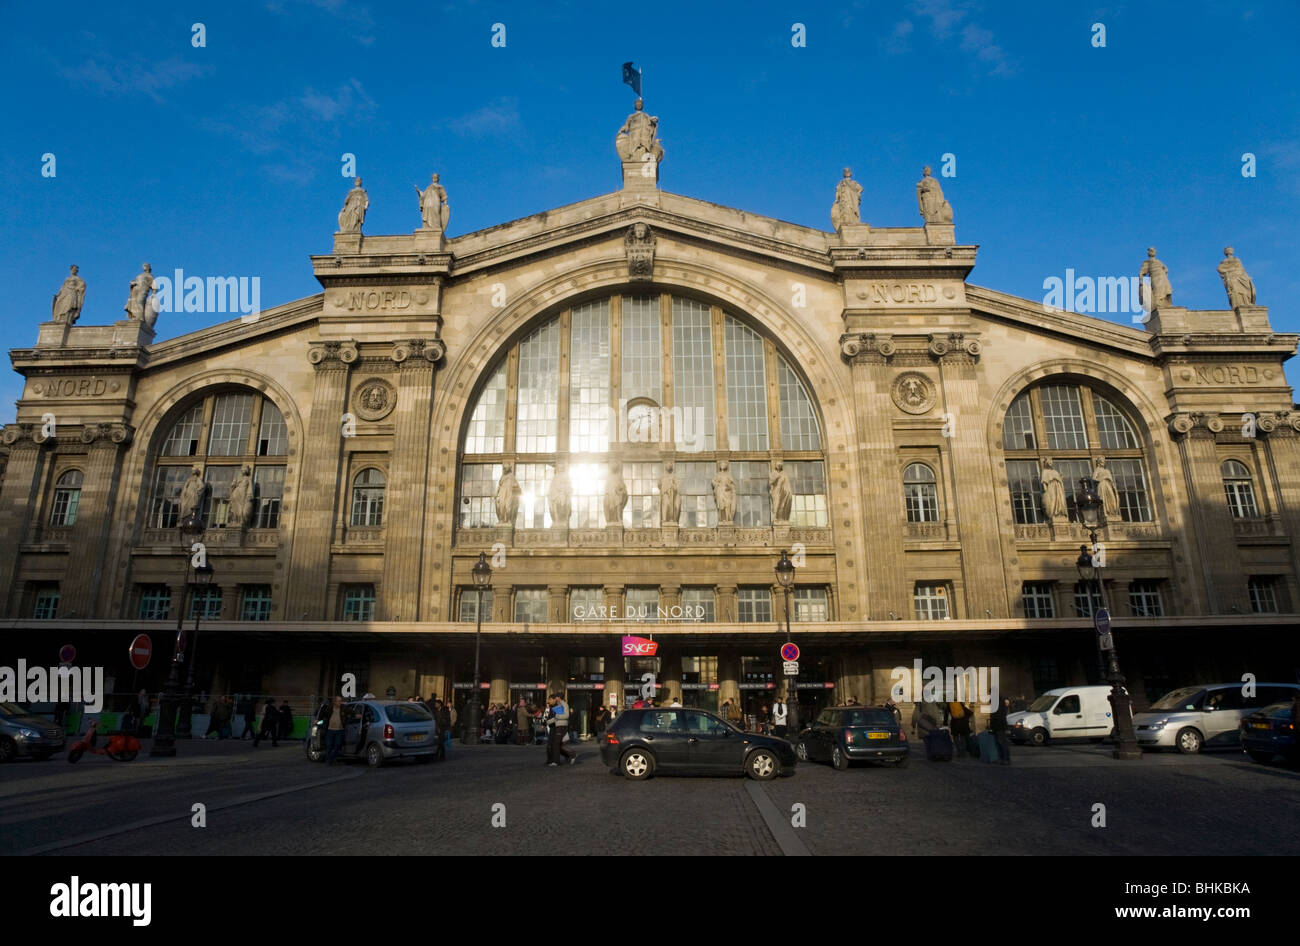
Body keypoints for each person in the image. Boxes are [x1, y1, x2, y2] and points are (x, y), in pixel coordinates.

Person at [546, 694, 575, 766]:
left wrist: (557, 717)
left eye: (556, 697)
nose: (555, 699)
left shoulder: (564, 704)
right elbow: (556, 718)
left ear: (558, 698)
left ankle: (557, 761)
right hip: (558, 726)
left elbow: (566, 716)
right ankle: (570, 755)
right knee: (558, 745)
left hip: (562, 727)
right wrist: (548, 722)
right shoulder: (558, 705)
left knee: (556, 744)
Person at [990, 696, 1013, 765]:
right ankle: (1002, 758)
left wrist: (992, 724)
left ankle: (1005, 759)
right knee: (999, 743)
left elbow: (996, 716)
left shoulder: (998, 703)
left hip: (999, 725)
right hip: (998, 725)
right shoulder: (1000, 701)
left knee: (1002, 743)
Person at [325, 696, 346, 765]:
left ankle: (332, 758)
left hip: (339, 730)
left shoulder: (343, 708)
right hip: (330, 730)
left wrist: (356, 714)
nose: (340, 702)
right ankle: (328, 760)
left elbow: (351, 711)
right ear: (335, 702)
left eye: (341, 701)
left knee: (337, 745)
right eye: (339, 701)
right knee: (329, 745)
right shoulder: (330, 708)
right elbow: (323, 715)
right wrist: (318, 720)